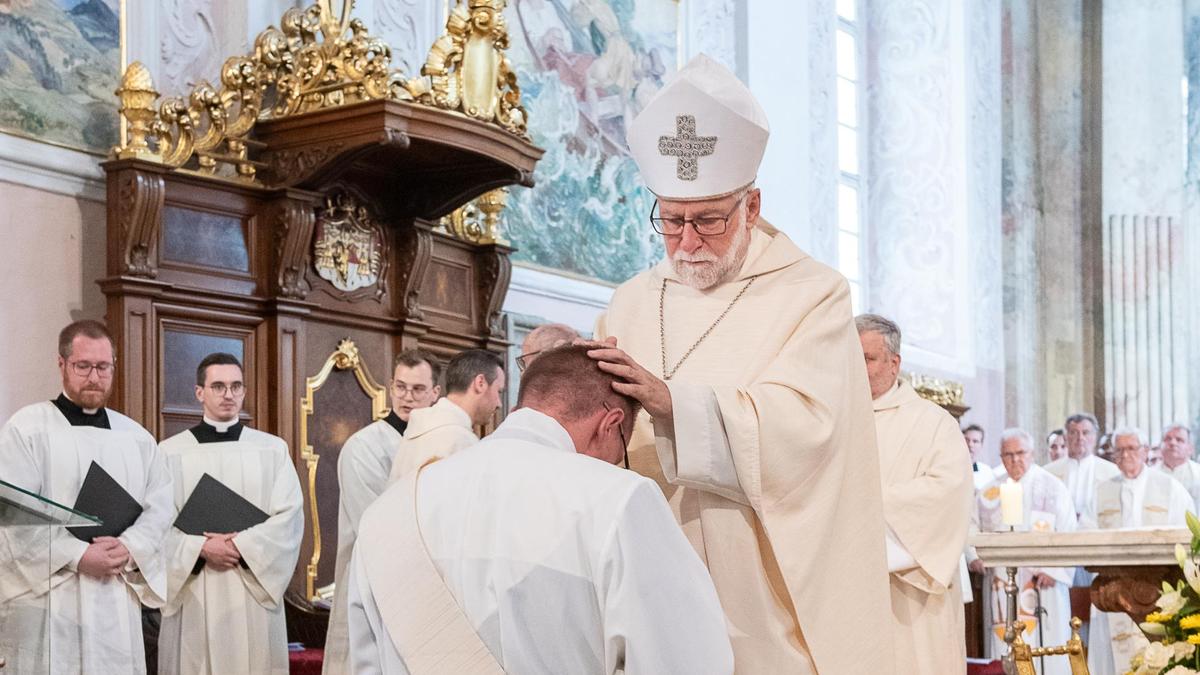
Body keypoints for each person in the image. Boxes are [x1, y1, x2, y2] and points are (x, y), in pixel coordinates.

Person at [589, 53, 894, 672]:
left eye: (708, 219)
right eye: (671, 221)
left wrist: (676, 405)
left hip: (760, 581)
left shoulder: (812, 293)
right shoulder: (630, 301)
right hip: (647, 566)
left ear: (751, 207)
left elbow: (811, 427)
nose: (688, 242)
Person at [347, 345, 733, 674]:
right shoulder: (621, 500)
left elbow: (365, 661)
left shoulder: (387, 513)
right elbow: (686, 660)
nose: (617, 461)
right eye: (623, 449)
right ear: (611, 422)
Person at [0, 320, 173, 673]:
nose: (94, 377)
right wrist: (78, 554)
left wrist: (131, 546)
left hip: (115, 593)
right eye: (83, 366)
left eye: (103, 366)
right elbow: (14, 511)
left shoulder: (136, 438)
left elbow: (160, 507)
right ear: (61, 364)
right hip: (53, 595)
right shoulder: (28, 428)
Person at [155, 353, 303, 674]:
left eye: (236, 386)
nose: (228, 395)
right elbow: (155, 525)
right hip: (194, 589)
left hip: (250, 587)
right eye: (218, 386)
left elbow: (289, 518)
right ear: (199, 393)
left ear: (244, 392)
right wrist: (200, 549)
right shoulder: (169, 453)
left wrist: (241, 546)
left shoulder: (271, 450)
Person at [856, 314, 972, 674]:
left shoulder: (933, 422)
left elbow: (947, 493)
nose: (856, 368)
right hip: (850, 585)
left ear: (894, 363)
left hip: (913, 587)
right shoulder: (833, 420)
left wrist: (860, 507)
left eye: (867, 359)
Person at [325, 350, 441, 675]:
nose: (407, 397)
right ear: (390, 387)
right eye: (400, 387)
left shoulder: (443, 444)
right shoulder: (364, 447)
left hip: (426, 592)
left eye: (418, 389)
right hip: (372, 586)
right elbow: (375, 525)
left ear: (435, 393)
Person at [1082, 427, 1191, 675]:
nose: (1125, 455)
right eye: (1119, 450)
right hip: (1111, 588)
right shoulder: (1101, 491)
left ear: (1144, 452)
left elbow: (1185, 536)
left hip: (1158, 587)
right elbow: (1085, 534)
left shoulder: (1169, 488)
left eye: (1131, 448)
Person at [974, 429, 1077, 674]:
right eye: (1008, 455)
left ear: (1032, 454)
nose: (1014, 460)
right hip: (1002, 584)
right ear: (1000, 457)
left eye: (1020, 453)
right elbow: (970, 526)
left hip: (1043, 584)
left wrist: (1055, 570)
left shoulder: (1053, 487)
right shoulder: (989, 492)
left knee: (1048, 651)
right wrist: (974, 557)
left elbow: (1069, 531)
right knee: (1006, 646)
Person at [386, 349, 506, 483]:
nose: (499, 404)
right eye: (498, 391)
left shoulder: (416, 430)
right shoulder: (460, 441)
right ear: (480, 383)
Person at [1044, 412, 1121, 520]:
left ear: (1095, 437)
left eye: (1085, 433)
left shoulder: (1112, 472)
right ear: (1065, 438)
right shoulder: (1048, 473)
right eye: (1074, 433)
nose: (1080, 438)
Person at [1155, 424, 1200, 503]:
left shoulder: (1197, 473)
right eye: (1168, 439)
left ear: (1190, 449)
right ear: (1160, 446)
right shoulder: (1150, 473)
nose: (1172, 443)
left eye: (1179, 440)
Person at [964, 424, 997, 489]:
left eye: (975, 441)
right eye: (967, 440)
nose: (970, 445)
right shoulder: (951, 469)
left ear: (981, 445)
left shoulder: (987, 472)